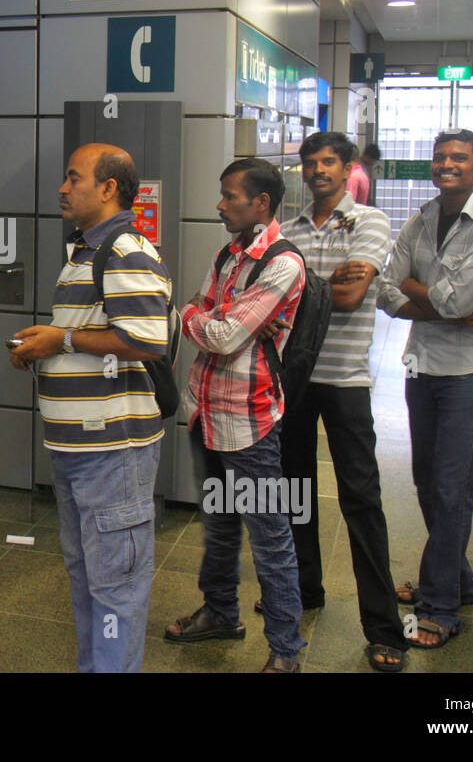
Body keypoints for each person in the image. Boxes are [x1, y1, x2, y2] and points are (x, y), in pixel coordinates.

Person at [8, 143, 170, 672]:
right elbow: (89, 334)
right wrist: (43, 349)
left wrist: (63, 341)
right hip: (78, 447)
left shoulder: (126, 249)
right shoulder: (84, 250)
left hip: (112, 449)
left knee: (115, 587)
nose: (62, 187)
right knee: (89, 579)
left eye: (73, 178)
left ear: (107, 188)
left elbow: (147, 340)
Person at [163, 158, 307, 673]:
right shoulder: (229, 255)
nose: (220, 205)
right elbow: (193, 310)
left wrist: (210, 319)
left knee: (270, 536)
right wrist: (213, 318)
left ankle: (286, 652)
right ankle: (221, 612)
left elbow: (218, 332)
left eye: (230, 196)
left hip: (251, 423)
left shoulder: (283, 262)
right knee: (220, 526)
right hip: (206, 410)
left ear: (261, 202)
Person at [378, 129, 473, 649]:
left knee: (453, 490)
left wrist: (424, 294)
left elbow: (461, 304)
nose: (446, 164)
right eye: (440, 157)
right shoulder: (420, 220)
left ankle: (440, 606)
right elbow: (387, 292)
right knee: (427, 483)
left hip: (466, 374)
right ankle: (455, 580)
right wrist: (430, 298)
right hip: (422, 366)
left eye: (459, 158)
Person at [280, 133, 408, 672]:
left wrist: (300, 286)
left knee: (360, 498)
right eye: (310, 163)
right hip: (294, 378)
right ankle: (305, 588)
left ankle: (383, 627)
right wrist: (327, 281)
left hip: (346, 378)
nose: (317, 171)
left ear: (347, 168)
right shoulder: (286, 230)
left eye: (328, 162)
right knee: (296, 491)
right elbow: (281, 300)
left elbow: (355, 297)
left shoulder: (371, 222)